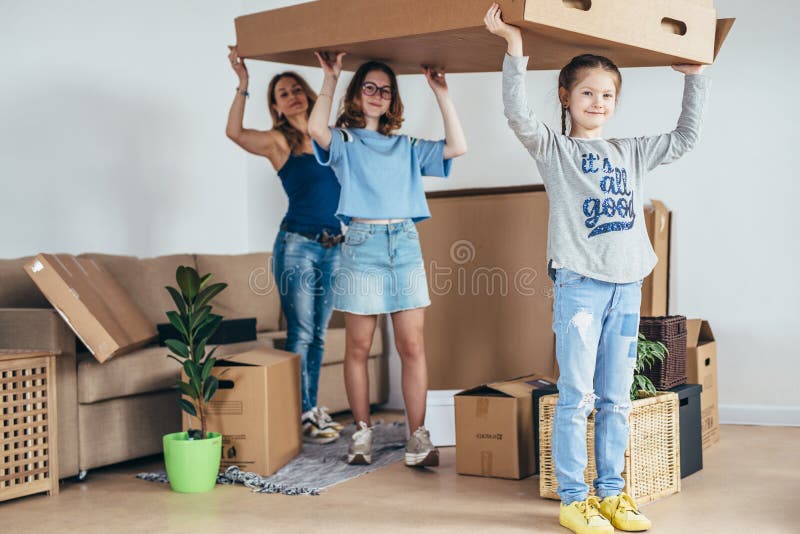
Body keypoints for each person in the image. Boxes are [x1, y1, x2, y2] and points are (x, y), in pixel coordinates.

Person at [485, 4, 709, 533]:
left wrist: (694, 80)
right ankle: (572, 497)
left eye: (608, 94)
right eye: (587, 92)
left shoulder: (629, 151)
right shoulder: (555, 150)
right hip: (580, 288)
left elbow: (684, 139)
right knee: (577, 396)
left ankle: (612, 494)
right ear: (566, 97)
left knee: (615, 398)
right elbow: (518, 115)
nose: (598, 102)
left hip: (627, 287)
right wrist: (514, 50)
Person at [307, 51, 467, 466]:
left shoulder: (406, 146)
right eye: (369, 87)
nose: (377, 95)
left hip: (404, 242)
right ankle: (361, 433)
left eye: (385, 89)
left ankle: (418, 439)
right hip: (362, 242)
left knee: (412, 345)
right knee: (359, 346)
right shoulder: (344, 140)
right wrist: (330, 77)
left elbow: (458, 146)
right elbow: (314, 128)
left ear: (392, 99)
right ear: (357, 95)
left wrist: (441, 93)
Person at [225, 46, 344, 445]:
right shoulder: (280, 142)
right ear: (276, 108)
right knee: (302, 332)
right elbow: (235, 134)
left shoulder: (330, 138)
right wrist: (244, 85)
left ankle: (309, 408)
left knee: (321, 334)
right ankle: (303, 412)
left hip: (335, 247)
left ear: (308, 94)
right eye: (283, 94)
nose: (292, 95)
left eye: (296, 89)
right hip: (297, 245)